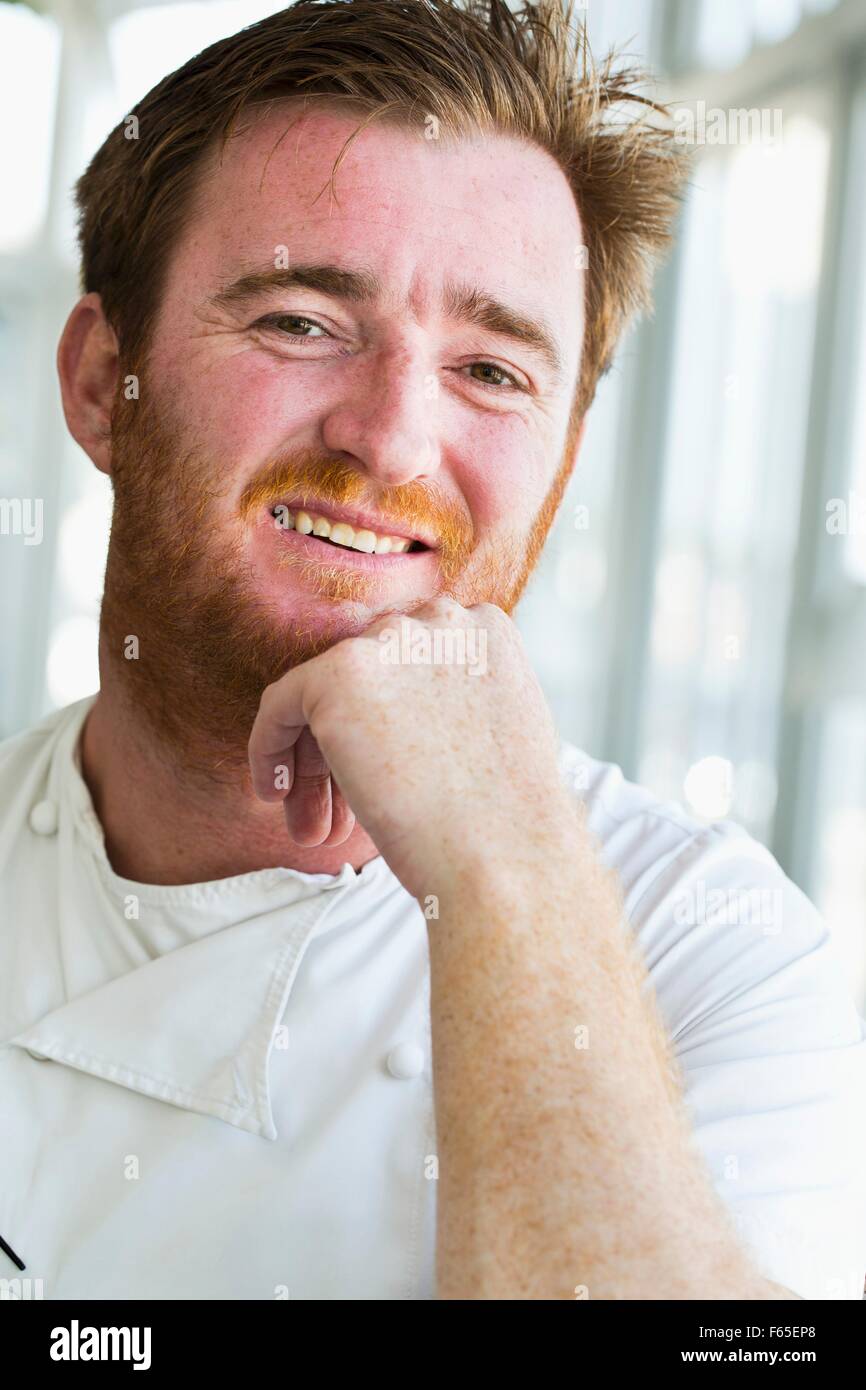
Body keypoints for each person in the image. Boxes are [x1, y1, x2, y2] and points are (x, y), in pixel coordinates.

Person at [1, 0, 864, 1301]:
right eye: (299, 320)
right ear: (96, 381)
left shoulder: (719, 963)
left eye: (492, 370)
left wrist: (500, 853)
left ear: (563, 465)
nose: (392, 441)